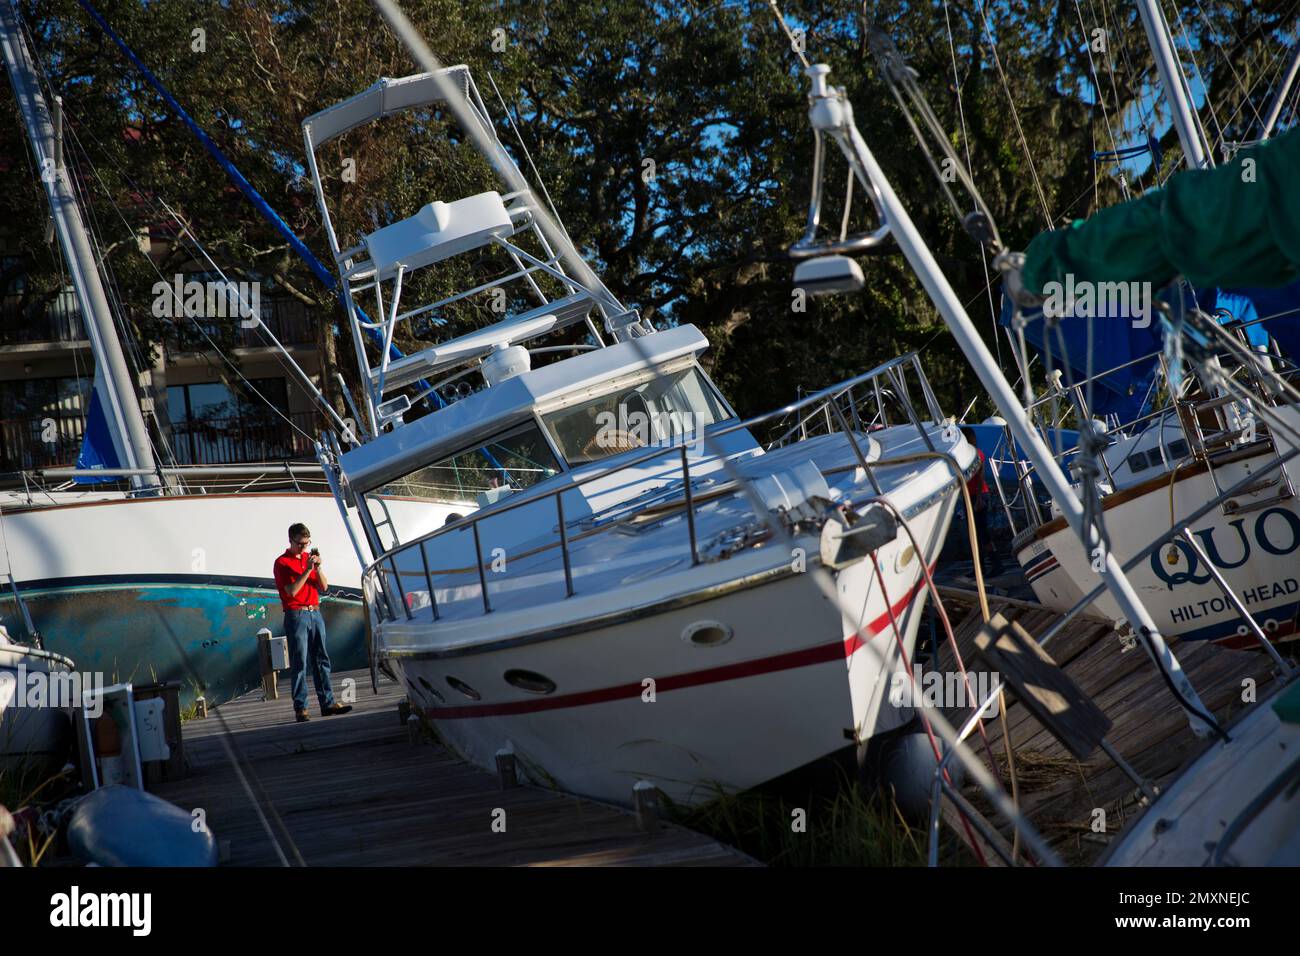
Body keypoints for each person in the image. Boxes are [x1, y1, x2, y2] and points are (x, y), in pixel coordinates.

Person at [273, 523, 352, 723]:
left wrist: (318, 568)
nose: (304, 548)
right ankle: (301, 707)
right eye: (300, 544)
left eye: (307, 544)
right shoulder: (282, 563)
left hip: (314, 612)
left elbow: (324, 586)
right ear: (290, 540)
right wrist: (307, 571)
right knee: (299, 660)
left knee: (321, 659)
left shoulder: (309, 559)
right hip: (296, 613)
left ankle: (328, 703)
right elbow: (291, 591)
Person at [959, 427, 1002, 576]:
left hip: (978, 495)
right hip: (969, 495)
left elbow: (980, 477)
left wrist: (978, 499)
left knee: (982, 532)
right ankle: (979, 567)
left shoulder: (976, 454)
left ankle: (996, 565)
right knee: (974, 533)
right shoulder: (966, 455)